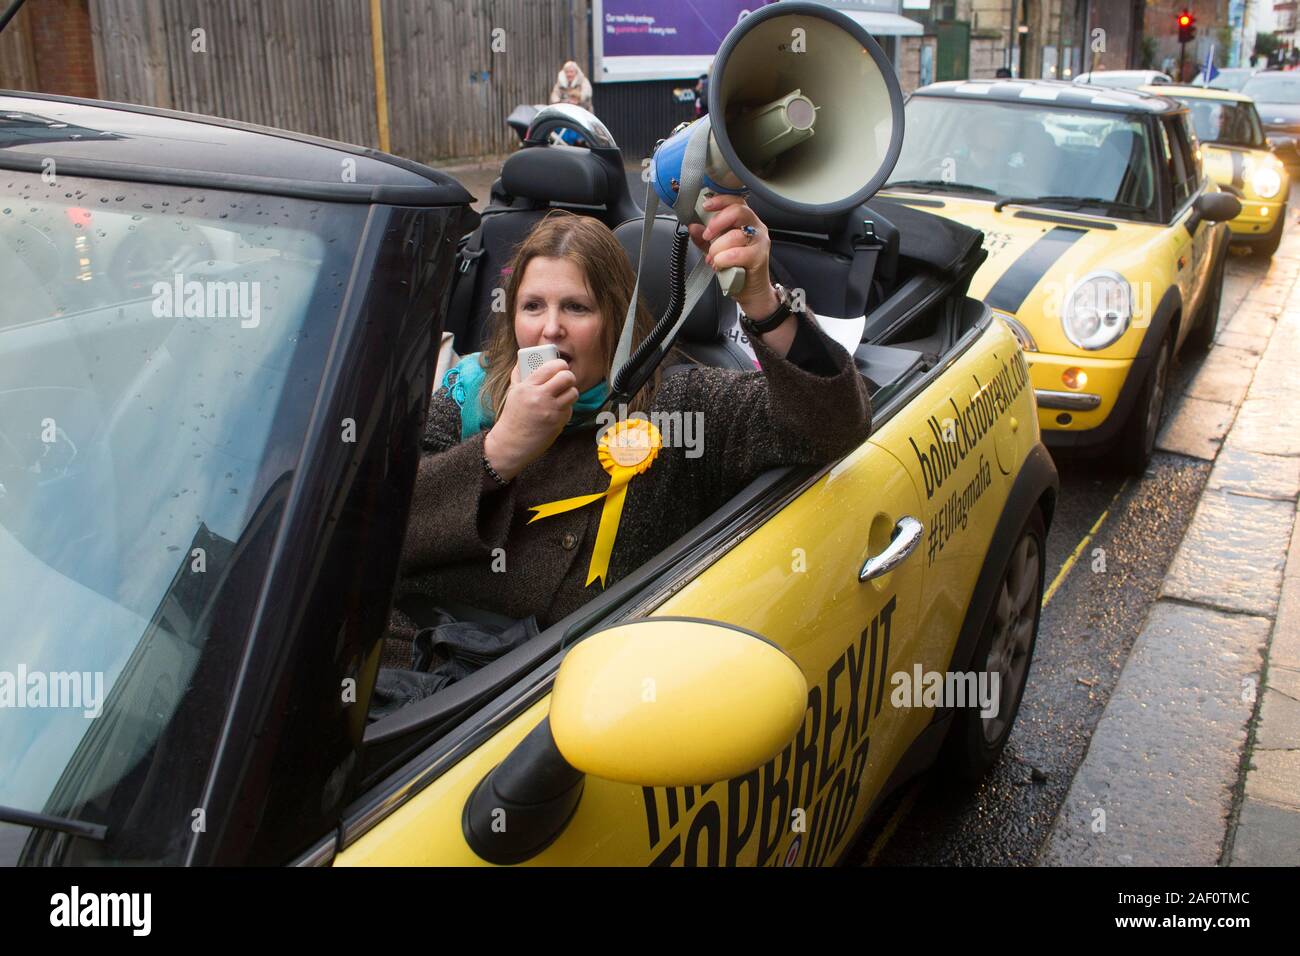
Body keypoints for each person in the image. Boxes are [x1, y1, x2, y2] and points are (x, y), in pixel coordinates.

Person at [389, 198, 873, 667]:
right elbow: (385, 532)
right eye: (532, 306)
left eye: (577, 308)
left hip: (545, 697)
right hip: (415, 667)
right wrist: (498, 453)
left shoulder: (681, 404)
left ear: (616, 319)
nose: (549, 330)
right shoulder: (466, 391)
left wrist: (763, 302)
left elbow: (831, 424)